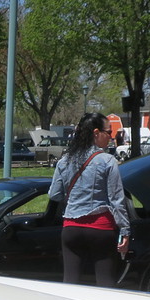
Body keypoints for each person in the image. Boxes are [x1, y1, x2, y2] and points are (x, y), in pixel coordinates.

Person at [48, 113, 131, 287]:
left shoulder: (65, 160)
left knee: (70, 282)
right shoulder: (107, 160)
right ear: (96, 133)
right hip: (100, 227)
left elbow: (54, 194)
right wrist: (125, 230)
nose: (110, 137)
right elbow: (116, 199)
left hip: (71, 227)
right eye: (108, 132)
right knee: (105, 282)